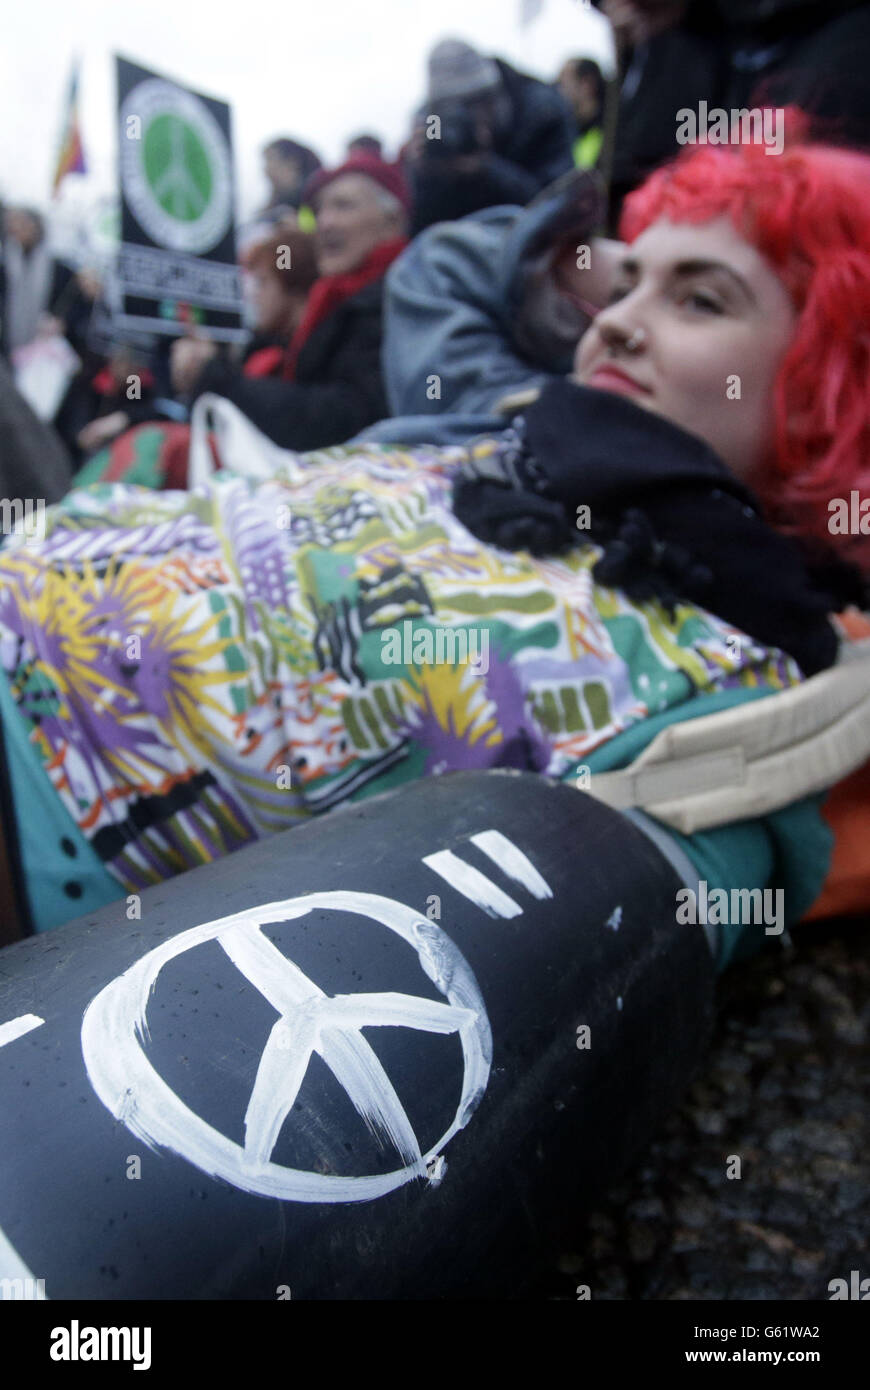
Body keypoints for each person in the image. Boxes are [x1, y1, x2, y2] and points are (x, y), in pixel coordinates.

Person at [0, 129, 867, 952]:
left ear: (828, 383)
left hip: (40, 792)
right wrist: (584, 251)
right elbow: (445, 266)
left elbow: (566, 989)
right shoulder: (514, 418)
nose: (617, 321)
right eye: (624, 286)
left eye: (701, 298)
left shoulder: (744, 705)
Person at [164, 155, 409, 455]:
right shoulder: (329, 306)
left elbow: (349, 419)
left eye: (344, 205)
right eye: (319, 210)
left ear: (392, 222)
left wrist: (217, 378)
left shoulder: (404, 301)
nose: (324, 222)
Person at [407, 38, 576, 234]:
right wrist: (426, 175)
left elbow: (558, 211)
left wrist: (484, 167)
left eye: (475, 104)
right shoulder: (432, 132)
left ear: (494, 95)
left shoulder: (543, 112)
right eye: (451, 110)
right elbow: (423, 237)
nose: (465, 118)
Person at [557, 58, 607, 169]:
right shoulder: (566, 131)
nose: (558, 90)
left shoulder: (613, 132)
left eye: (563, 83)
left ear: (587, 84)